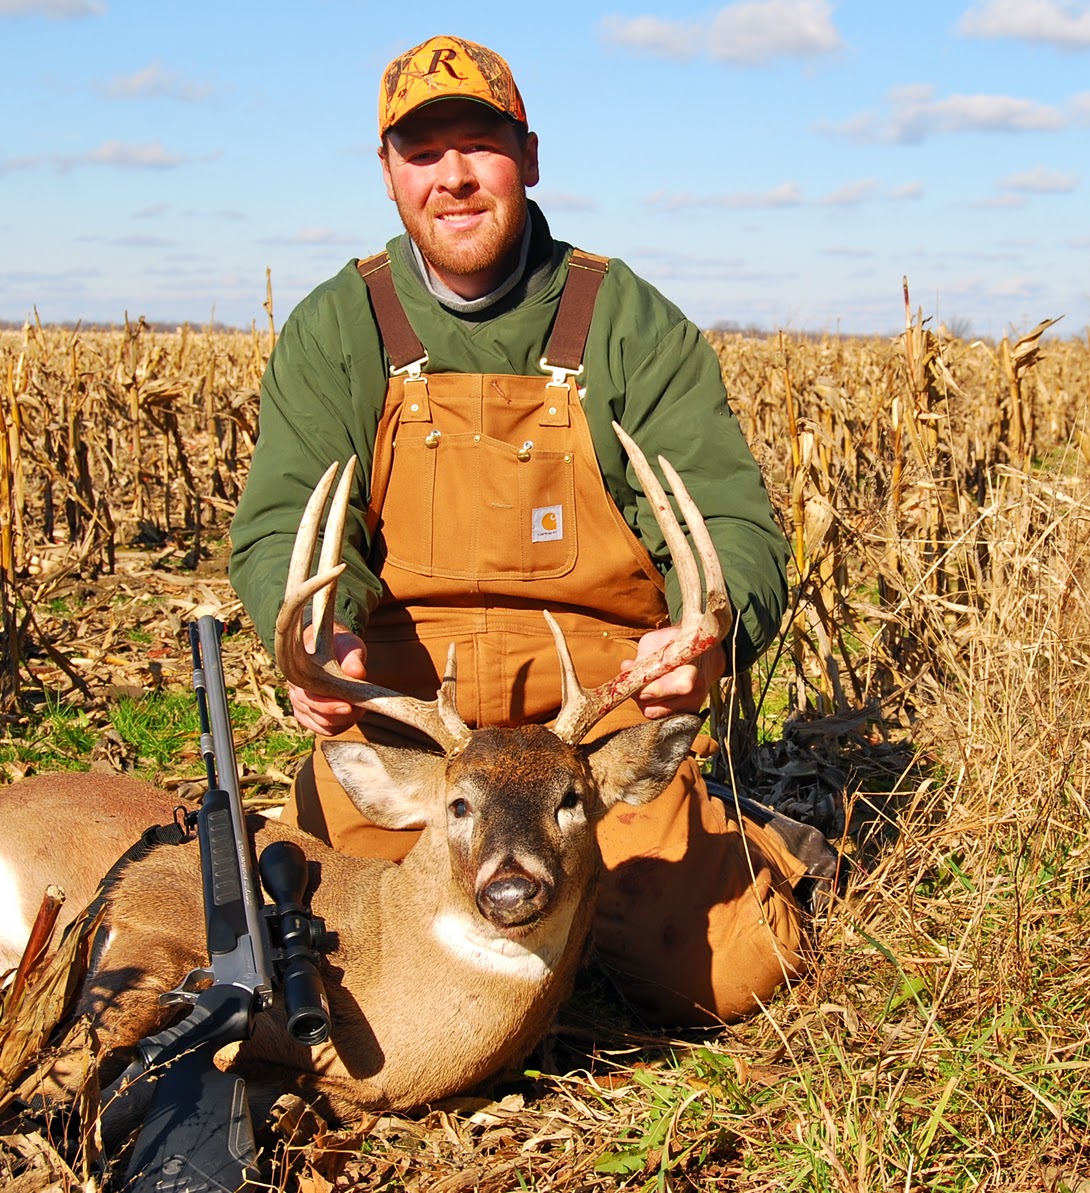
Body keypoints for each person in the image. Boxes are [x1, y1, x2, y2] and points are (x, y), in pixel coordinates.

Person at [229, 34, 812, 1027]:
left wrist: (708, 632)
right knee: (301, 959)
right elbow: (282, 523)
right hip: (421, 740)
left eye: (479, 145)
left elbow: (731, 523)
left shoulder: (624, 320)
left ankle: (761, 840)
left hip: (593, 739)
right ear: (389, 175)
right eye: (424, 153)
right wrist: (319, 632)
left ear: (528, 158)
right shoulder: (342, 327)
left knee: (734, 971)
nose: (453, 176)